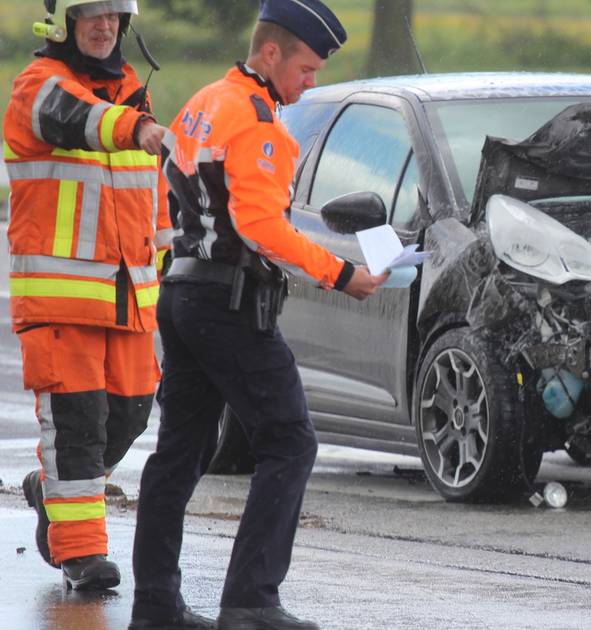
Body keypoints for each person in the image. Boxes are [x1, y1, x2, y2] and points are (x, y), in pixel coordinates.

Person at [128, 1, 387, 628]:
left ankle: (155, 604)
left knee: (178, 453)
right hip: (230, 304)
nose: (310, 82)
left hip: (183, 294)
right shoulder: (256, 120)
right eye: (306, 69)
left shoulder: (203, 102)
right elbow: (261, 226)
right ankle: (250, 600)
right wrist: (341, 273)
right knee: (290, 441)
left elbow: (176, 195)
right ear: (271, 54)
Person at [3, 0, 170, 591]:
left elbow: (151, 191)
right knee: (78, 426)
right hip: (61, 302)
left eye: (113, 15)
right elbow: (78, 118)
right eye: (91, 13)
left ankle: (50, 491)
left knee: (129, 415)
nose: (104, 25)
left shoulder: (131, 91)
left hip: (129, 299)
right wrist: (136, 127)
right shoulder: (38, 87)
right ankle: (80, 554)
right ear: (65, 23)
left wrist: (170, 255)